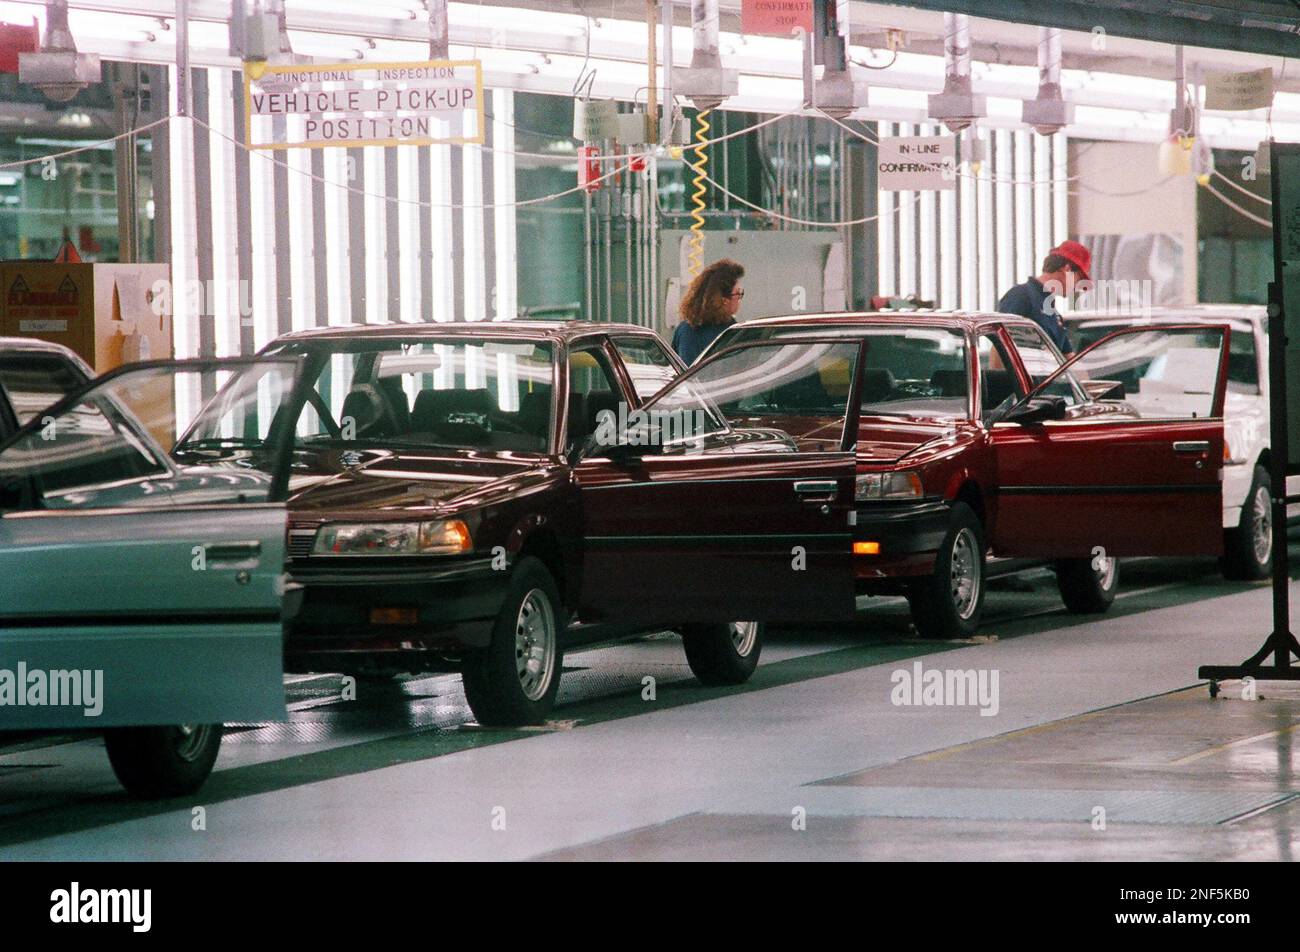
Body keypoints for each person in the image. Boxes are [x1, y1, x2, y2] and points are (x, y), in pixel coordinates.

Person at [996, 240, 1091, 355]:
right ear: (1067, 269)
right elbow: (999, 350)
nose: (1078, 287)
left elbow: (1069, 361)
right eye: (1079, 279)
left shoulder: (1053, 314)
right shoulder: (1021, 296)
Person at [671, 259, 744, 365]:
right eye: (738, 293)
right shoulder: (690, 333)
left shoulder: (732, 327)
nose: (740, 298)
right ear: (723, 300)